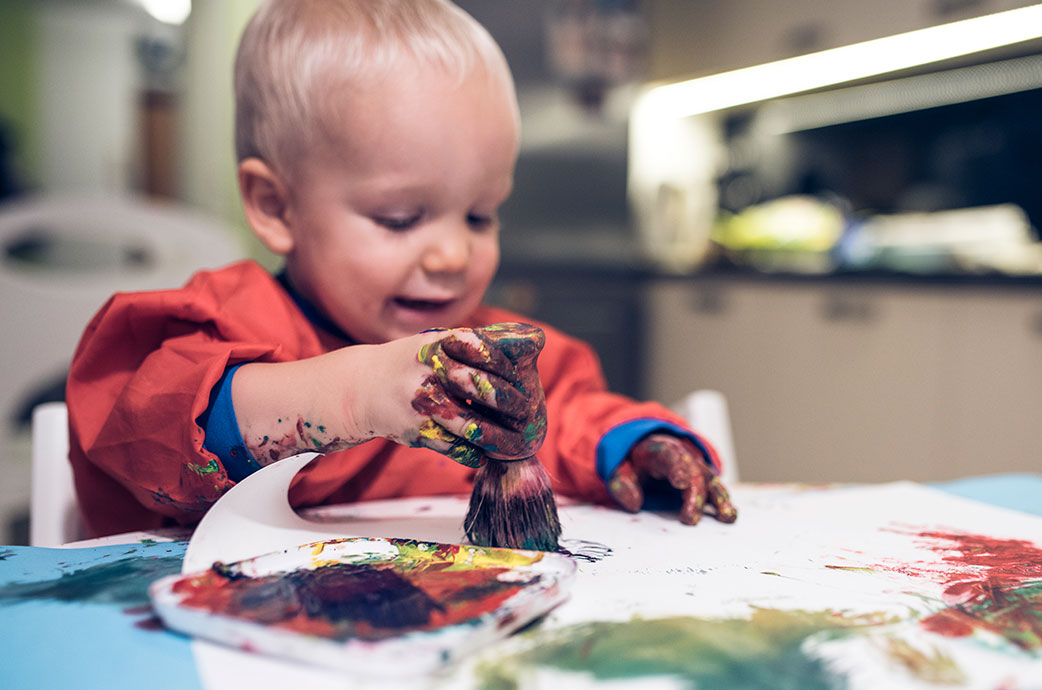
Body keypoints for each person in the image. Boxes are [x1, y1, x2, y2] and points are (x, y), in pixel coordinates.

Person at [66, 0, 737, 538]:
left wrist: (635, 444)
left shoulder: (484, 352)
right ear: (276, 206)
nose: (452, 255)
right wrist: (354, 392)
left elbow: (570, 414)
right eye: (398, 218)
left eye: (479, 216)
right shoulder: (223, 323)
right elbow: (144, 429)